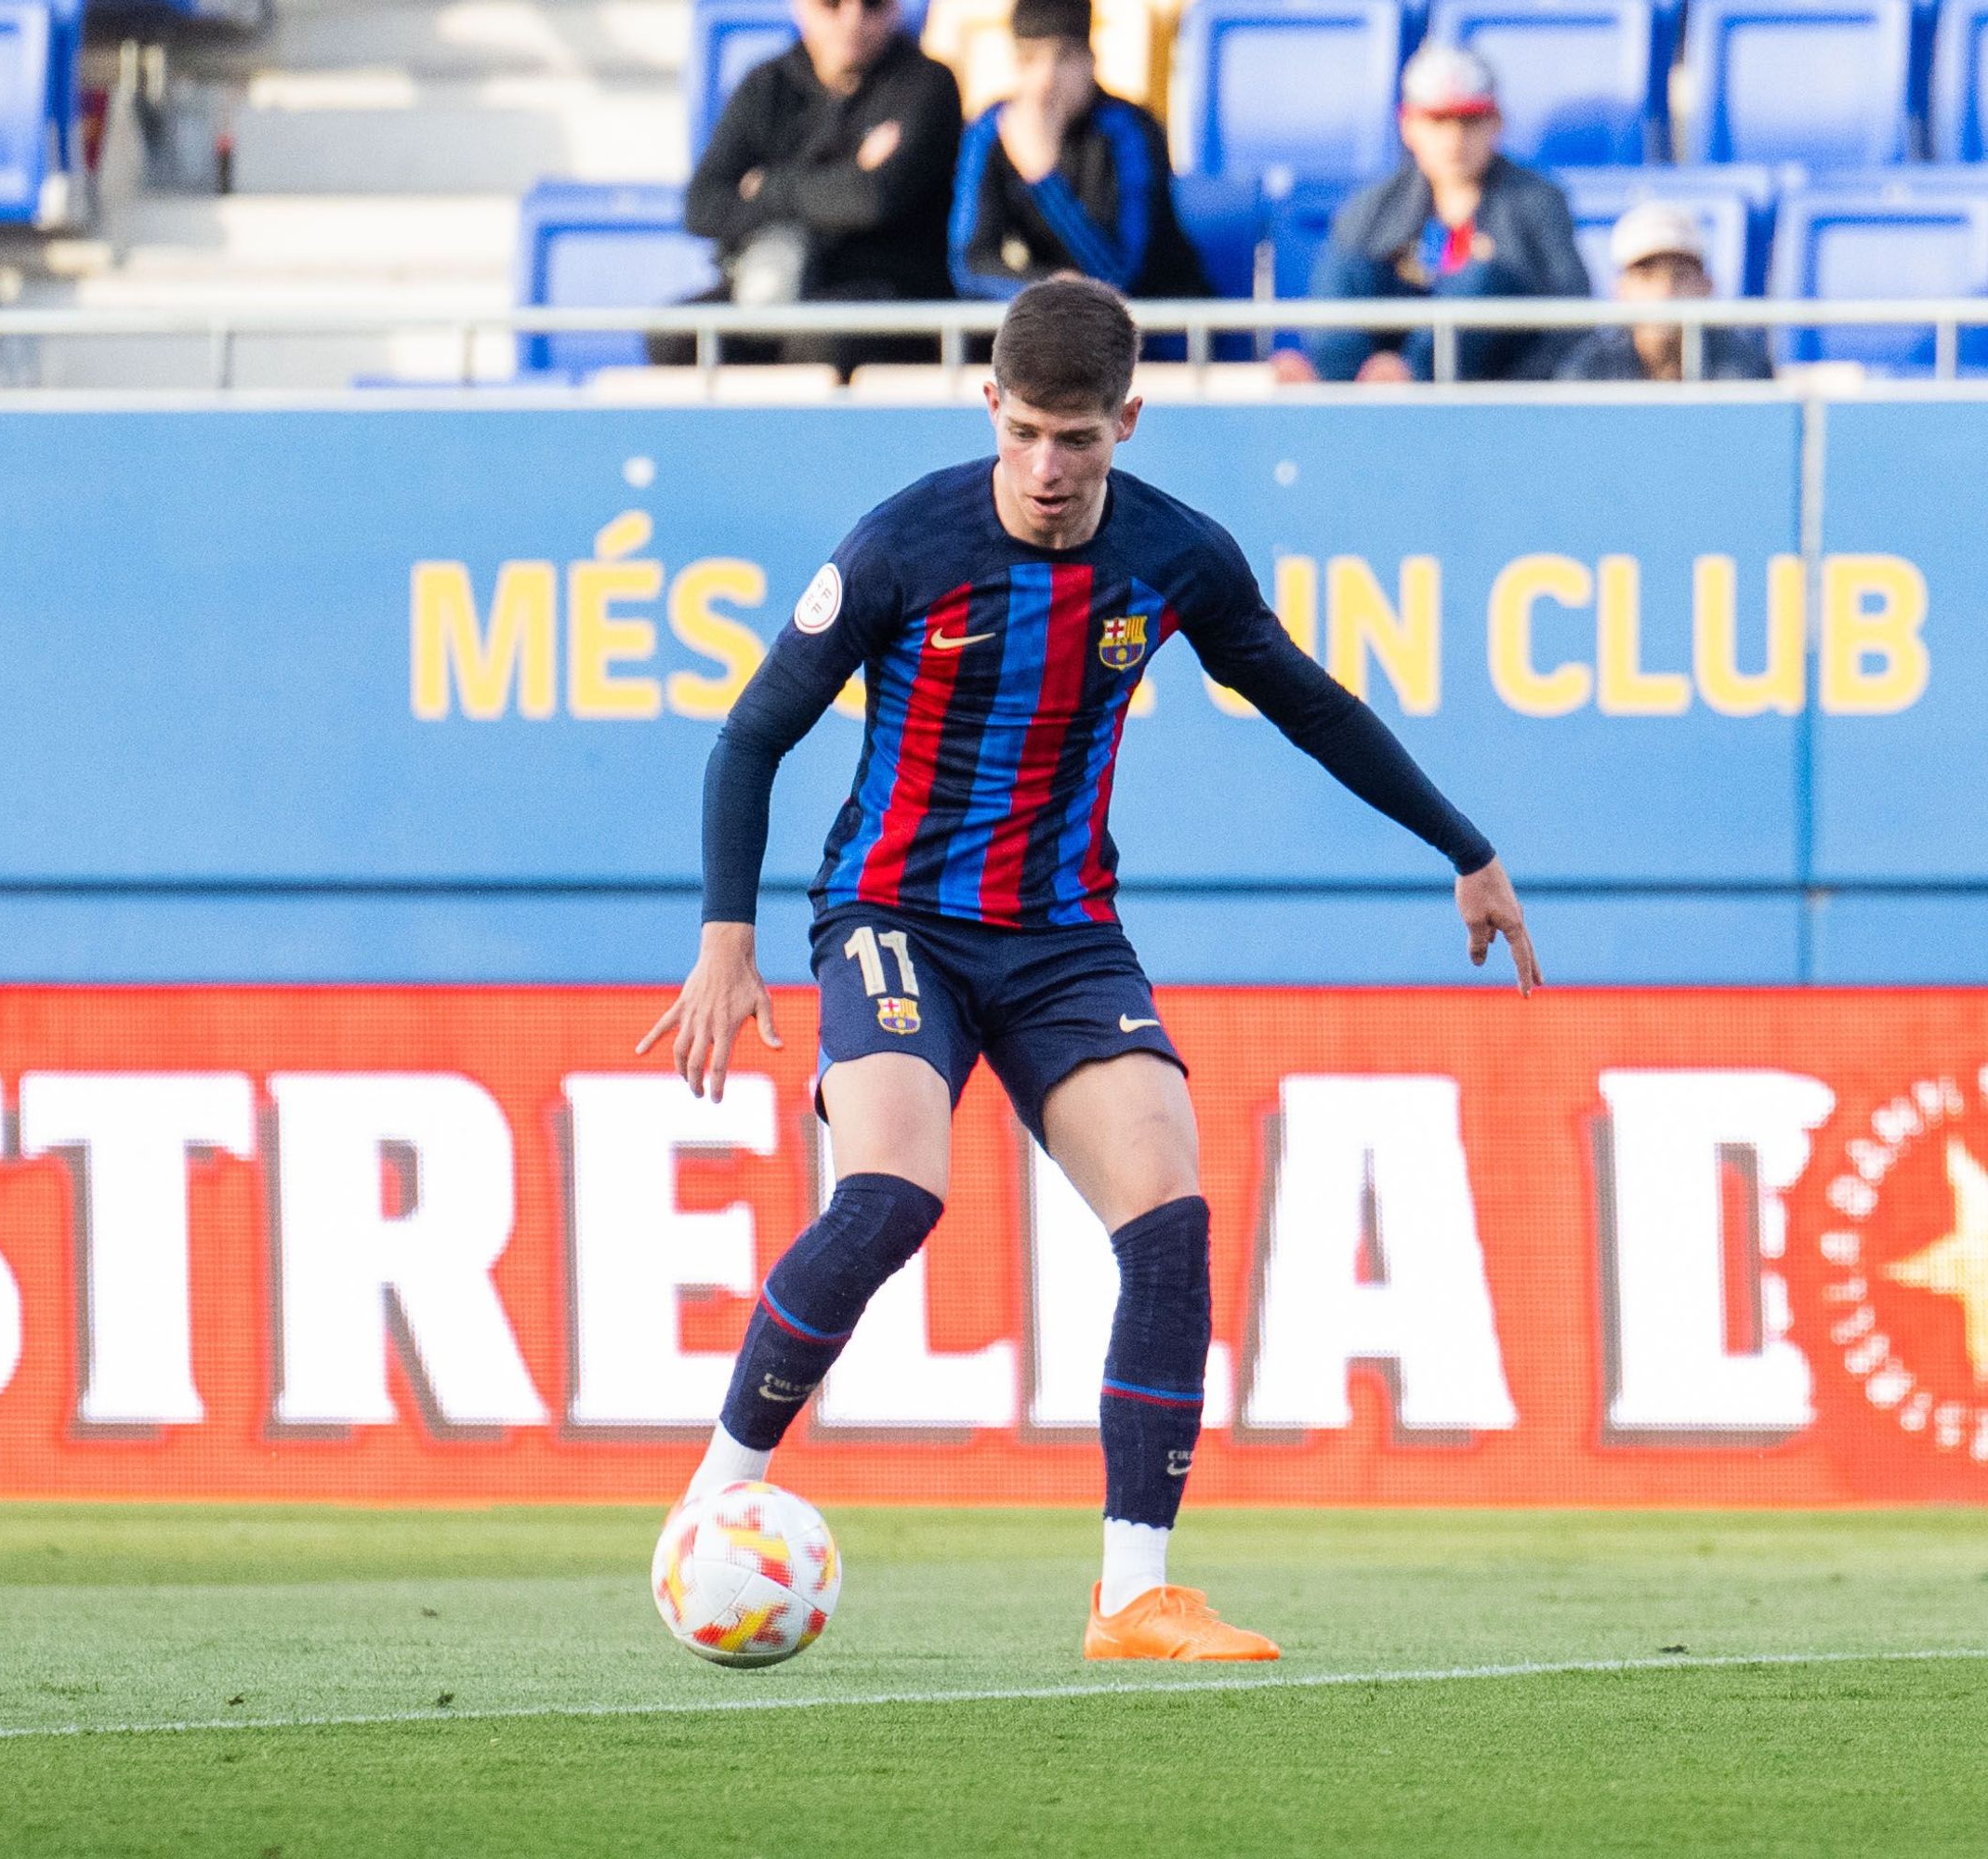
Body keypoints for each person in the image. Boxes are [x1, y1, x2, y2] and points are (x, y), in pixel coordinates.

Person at [639, 279, 1539, 1661]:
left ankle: (1133, 1594)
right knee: (892, 1192)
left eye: (1082, 442)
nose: (1051, 473)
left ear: (1130, 420)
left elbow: (1307, 700)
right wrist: (724, 940)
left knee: (1169, 1215)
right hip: (894, 917)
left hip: (1063, 938)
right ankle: (713, 1501)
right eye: (1029, 437)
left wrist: (1466, 848)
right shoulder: (902, 547)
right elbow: (751, 734)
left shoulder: (1177, 558)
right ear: (989, 406)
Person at [652, 0, 963, 375]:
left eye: (873, 5)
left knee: (818, 338)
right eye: (831, 4)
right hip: (767, 283)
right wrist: (847, 174)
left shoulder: (927, 85)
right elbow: (702, 207)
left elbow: (873, 200)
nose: (853, 20)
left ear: (895, 9)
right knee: (675, 335)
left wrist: (765, 185)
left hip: (886, 290)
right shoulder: (766, 84)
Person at [1273, 45, 1588, 385]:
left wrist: (1520, 385)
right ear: (1408, 126)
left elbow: (1570, 313)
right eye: (1437, 121)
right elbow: (1339, 287)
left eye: (1469, 120)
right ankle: (1334, 386)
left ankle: (1407, 382)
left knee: (1480, 280)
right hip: (1374, 380)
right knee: (1345, 268)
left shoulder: (1538, 200)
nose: (1454, 139)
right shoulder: (1375, 205)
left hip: (1491, 378)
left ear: (1496, 123)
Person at [946, 0, 1207, 301]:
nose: (1046, 80)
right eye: (1030, 60)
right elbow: (968, 264)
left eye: (1063, 58)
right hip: (1056, 319)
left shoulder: (1131, 129)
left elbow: (1122, 275)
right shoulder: (991, 128)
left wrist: (1043, 177)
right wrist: (1048, 288)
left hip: (1157, 326)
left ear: (1091, 61)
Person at [1556, 201, 1773, 383]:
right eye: (1647, 276)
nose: (1665, 291)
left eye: (1680, 275)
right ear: (1621, 290)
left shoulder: (1743, 367)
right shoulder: (1589, 371)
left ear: (1706, 286)